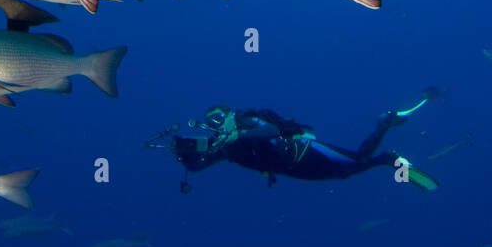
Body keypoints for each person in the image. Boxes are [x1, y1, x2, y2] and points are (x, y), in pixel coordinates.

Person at [147, 94, 439, 192]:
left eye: (218, 117)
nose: (215, 124)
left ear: (228, 115)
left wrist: (242, 133)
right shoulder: (227, 146)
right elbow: (200, 167)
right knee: (346, 173)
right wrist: (182, 153)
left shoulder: (248, 123)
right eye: (210, 121)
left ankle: (386, 128)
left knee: (358, 160)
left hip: (305, 151)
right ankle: (387, 156)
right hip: (296, 171)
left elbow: (274, 132)